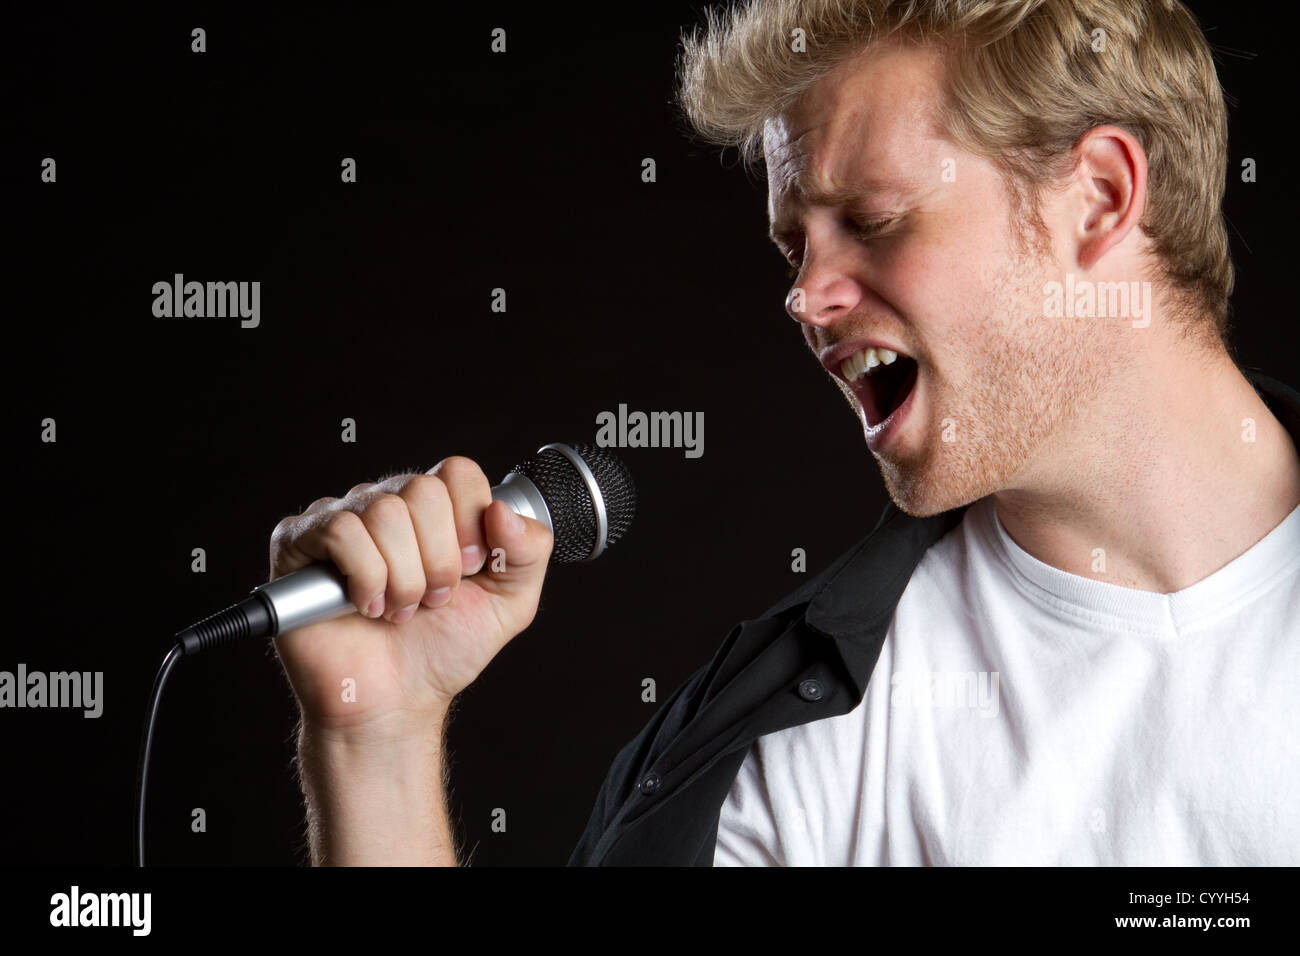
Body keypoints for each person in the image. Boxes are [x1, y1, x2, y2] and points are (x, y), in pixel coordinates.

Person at [269, 0, 1300, 866]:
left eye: (876, 219)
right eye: (793, 244)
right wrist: (376, 740)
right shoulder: (795, 744)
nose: (805, 298)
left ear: (1101, 198)